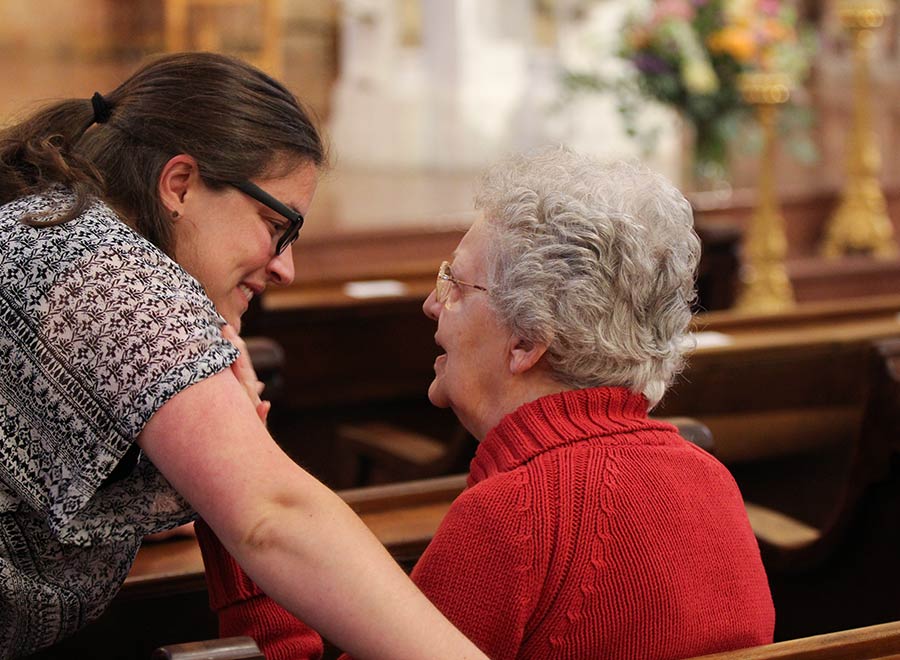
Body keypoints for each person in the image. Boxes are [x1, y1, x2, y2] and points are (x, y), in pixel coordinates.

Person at [195, 147, 776, 659]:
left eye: (456, 285)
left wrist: (234, 478)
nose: (429, 304)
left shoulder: (517, 518)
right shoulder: (709, 481)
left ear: (526, 342)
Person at [0, 52, 487, 660]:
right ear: (179, 185)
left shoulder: (54, 229)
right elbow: (275, 517)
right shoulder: (108, 275)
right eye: (274, 224)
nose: (286, 267)